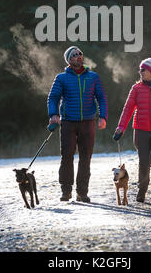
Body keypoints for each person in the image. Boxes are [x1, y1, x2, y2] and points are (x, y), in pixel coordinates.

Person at [48, 46, 108, 202]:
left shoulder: (93, 77)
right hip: (68, 122)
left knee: (85, 158)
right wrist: (53, 114)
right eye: (74, 55)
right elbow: (53, 97)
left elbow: (101, 97)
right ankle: (66, 191)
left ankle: (82, 193)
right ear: (69, 59)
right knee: (67, 157)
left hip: (88, 122)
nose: (78, 56)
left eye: (80, 53)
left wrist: (103, 116)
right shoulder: (61, 78)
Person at [113, 55, 151, 206]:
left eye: (143, 69)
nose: (140, 72)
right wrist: (120, 127)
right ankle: (141, 193)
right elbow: (127, 109)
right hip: (140, 131)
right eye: (140, 69)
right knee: (144, 163)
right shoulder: (136, 88)